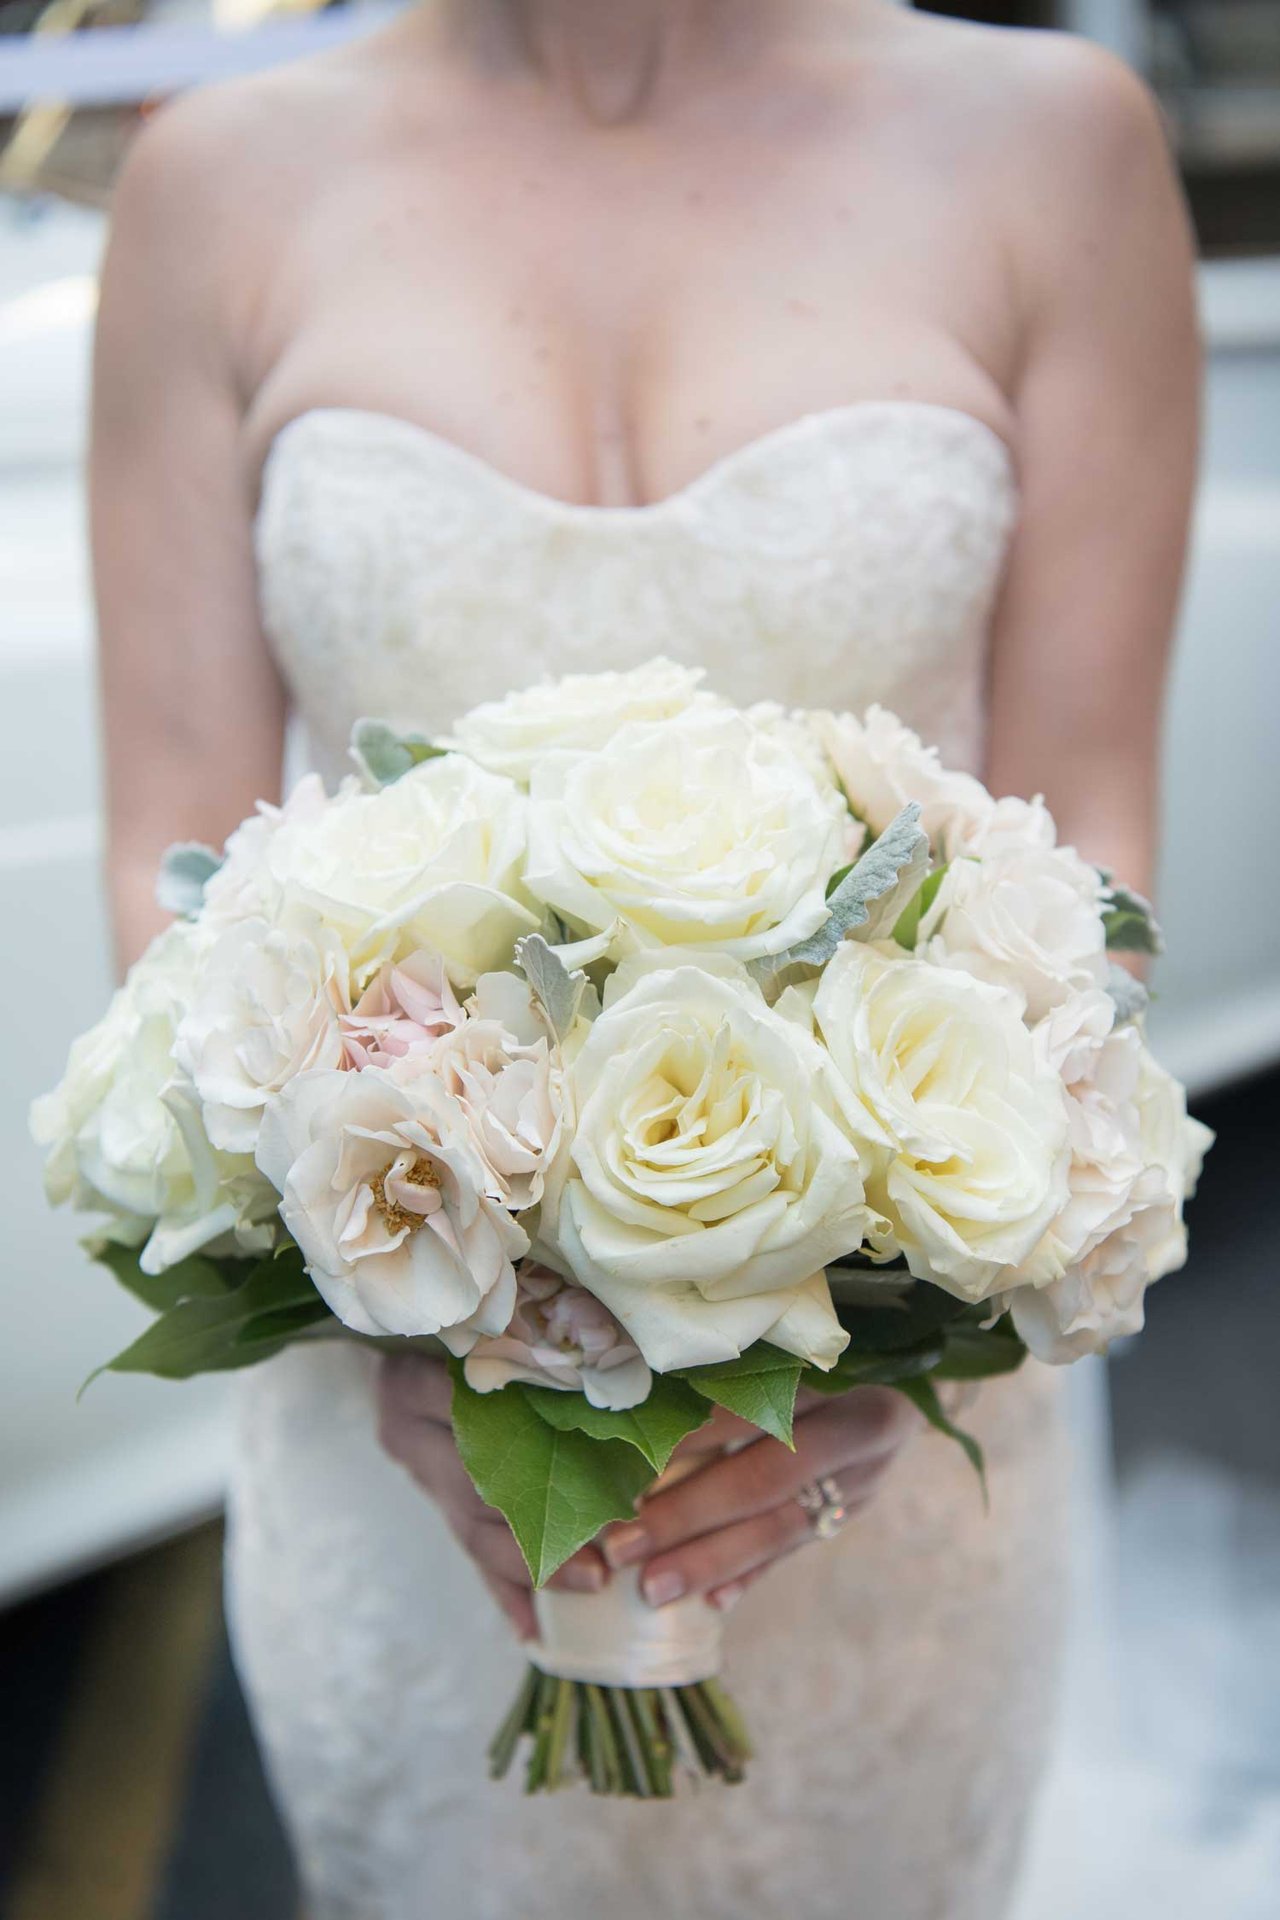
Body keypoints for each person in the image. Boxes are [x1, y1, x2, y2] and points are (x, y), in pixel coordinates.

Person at [91, 3, 1199, 1915]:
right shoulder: (219, 179)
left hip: (889, 1454)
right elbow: (166, 856)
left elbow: (1090, 829)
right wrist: (403, 1311)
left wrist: (895, 1308)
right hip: (400, 1423)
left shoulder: (1055, 146)